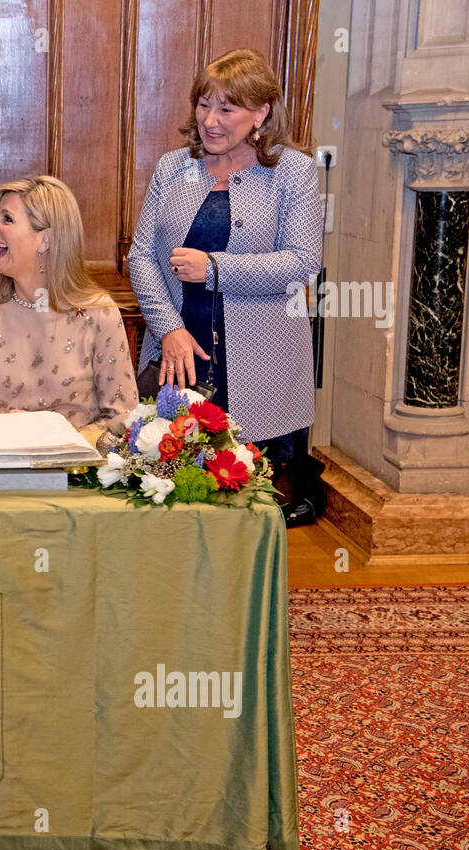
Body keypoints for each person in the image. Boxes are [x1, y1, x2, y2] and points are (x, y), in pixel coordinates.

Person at [128, 48, 323, 524]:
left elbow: (303, 264)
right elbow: (141, 256)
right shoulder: (173, 167)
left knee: (249, 505)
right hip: (179, 356)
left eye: (226, 109)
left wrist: (214, 268)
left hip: (261, 364)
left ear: (261, 113)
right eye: (203, 105)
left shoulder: (292, 172)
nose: (210, 120)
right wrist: (169, 329)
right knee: (170, 491)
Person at [0, 175, 138, 450]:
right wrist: (0, 431)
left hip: (77, 478)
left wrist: (48, 434)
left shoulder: (99, 313)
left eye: (7, 219)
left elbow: (124, 420)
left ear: (45, 240)